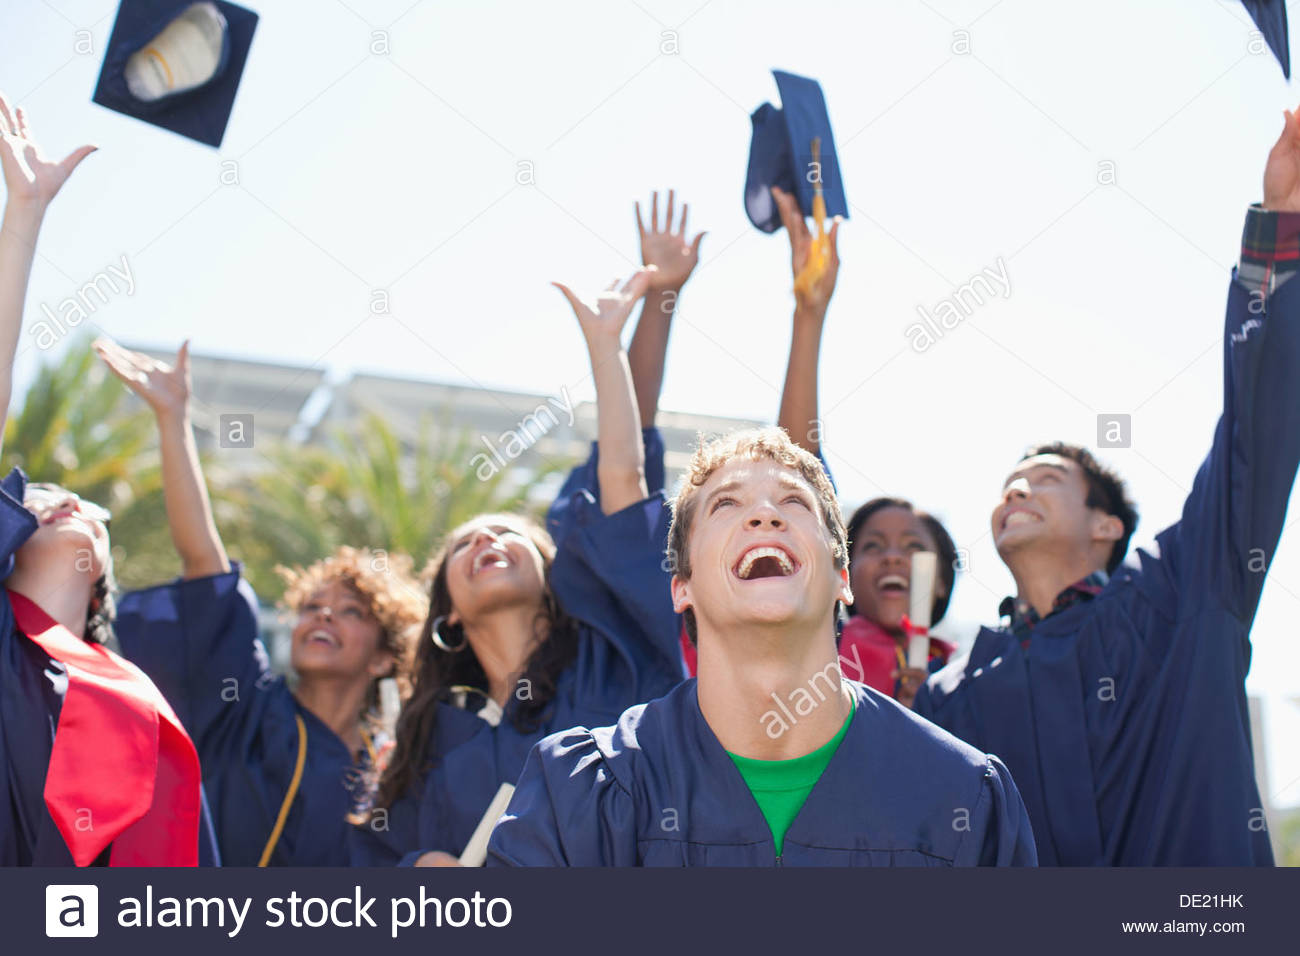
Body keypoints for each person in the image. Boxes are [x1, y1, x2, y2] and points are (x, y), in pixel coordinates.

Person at [914, 108, 1300, 866]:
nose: (1015, 489)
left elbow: (1254, 438)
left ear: (1106, 528)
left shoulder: (1181, 594)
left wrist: (1278, 236)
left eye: (1045, 478)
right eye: (1009, 482)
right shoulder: (946, 698)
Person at [488, 427, 1037, 866]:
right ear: (682, 586)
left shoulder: (961, 795)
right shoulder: (584, 793)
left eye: (793, 502)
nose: (764, 514)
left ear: (842, 577)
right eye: (726, 504)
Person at [352, 257, 688, 866]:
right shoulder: (429, 740)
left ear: (552, 577)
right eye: (464, 544)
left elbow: (622, 474)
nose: (486, 541)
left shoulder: (620, 664)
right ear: (447, 614)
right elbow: (377, 861)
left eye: (508, 533)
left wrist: (605, 350)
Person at [101, 339, 427, 866]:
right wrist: (173, 419)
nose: (322, 614)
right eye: (313, 606)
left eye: (350, 612)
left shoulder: (394, 770)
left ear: (384, 657)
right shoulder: (246, 708)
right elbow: (205, 564)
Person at [0, 94, 216, 866]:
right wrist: (22, 219)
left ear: (104, 582)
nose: (54, 499)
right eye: (33, 500)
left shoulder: (139, 705)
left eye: (81, 505)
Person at [839, 498, 958, 707]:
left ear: (942, 581)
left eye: (913, 547)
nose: (893, 557)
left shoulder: (962, 689)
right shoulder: (813, 658)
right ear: (846, 575)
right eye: (873, 546)